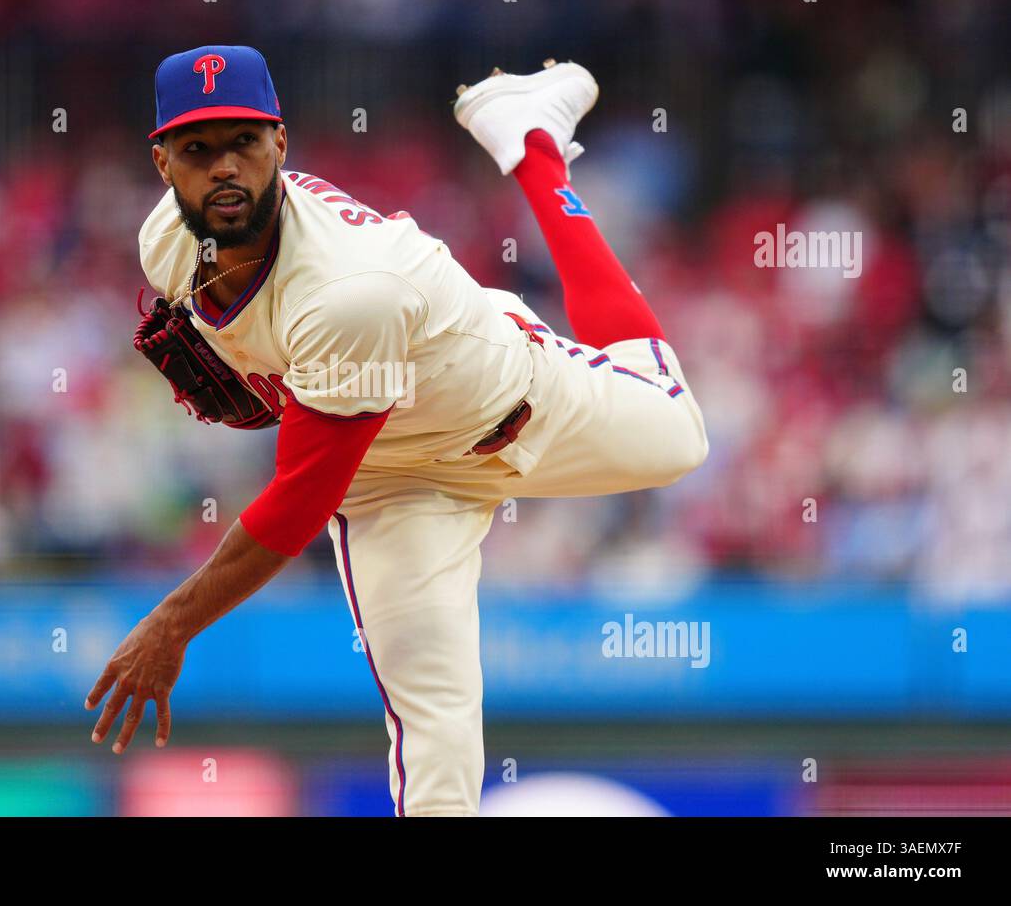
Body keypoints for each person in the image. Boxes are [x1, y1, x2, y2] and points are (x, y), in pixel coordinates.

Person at [85, 45, 708, 817]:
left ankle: (531, 146)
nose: (224, 168)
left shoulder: (350, 293)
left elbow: (295, 507)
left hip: (508, 400)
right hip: (390, 481)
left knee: (681, 436)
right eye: (197, 148)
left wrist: (171, 625)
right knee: (436, 738)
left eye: (244, 142)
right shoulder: (166, 247)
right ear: (162, 161)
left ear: (280, 142)